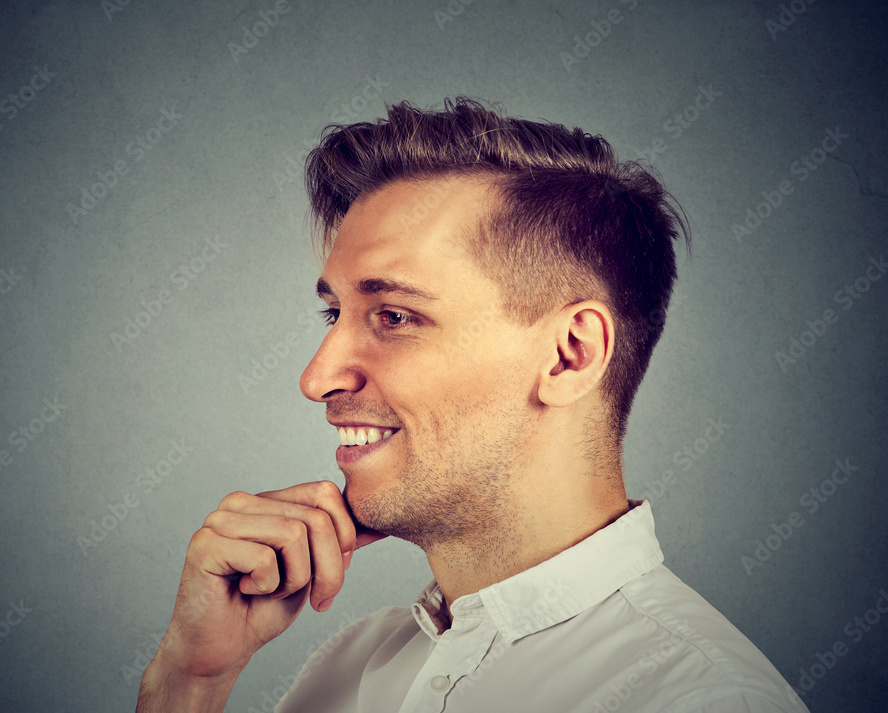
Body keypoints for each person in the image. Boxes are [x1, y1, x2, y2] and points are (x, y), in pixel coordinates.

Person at [135, 97, 809, 712]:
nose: (317, 378)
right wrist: (188, 683)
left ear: (570, 353)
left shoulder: (706, 698)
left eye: (393, 315)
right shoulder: (347, 668)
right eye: (333, 312)